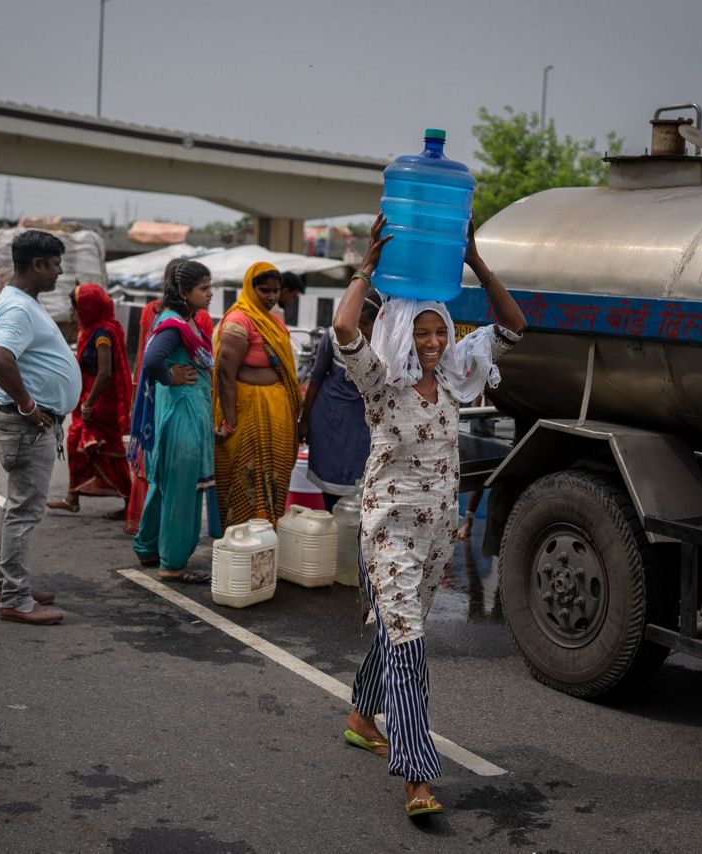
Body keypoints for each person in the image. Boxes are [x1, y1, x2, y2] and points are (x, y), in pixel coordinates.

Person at [334, 213, 526, 819]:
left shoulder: (452, 380)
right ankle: (417, 776)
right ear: (398, 335)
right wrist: (366, 270)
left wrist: (475, 262)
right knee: (412, 643)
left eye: (438, 331)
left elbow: (514, 327)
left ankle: (362, 715)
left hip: (437, 532)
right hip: (388, 531)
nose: (433, 343)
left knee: (400, 628)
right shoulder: (381, 384)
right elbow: (343, 326)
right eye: (420, 334)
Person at [0, 230, 81, 625]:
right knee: (24, 514)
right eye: (56, 264)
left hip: (31, 425)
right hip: (28, 427)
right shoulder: (18, 309)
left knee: (17, 510)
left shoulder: (22, 301)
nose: (60, 272)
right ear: (38, 265)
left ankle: (5, 584)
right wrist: (27, 404)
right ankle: (15, 598)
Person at [130, 260, 215, 581]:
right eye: (203, 289)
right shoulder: (174, 325)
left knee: (165, 485)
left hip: (179, 414)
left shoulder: (182, 320)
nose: (210, 294)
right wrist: (170, 377)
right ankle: (174, 564)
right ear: (183, 292)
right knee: (182, 489)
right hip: (181, 418)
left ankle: (149, 547)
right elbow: (152, 360)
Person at [212, 262, 302, 529]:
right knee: (248, 476)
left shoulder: (273, 320)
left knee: (274, 477)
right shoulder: (238, 322)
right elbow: (226, 374)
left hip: (276, 411)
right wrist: (229, 421)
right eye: (265, 291)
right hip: (249, 411)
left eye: (276, 291)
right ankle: (244, 539)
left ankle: (267, 535)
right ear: (250, 288)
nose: (272, 297)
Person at [46, 283, 135, 519]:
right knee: (80, 444)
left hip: (100, 401)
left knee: (108, 448)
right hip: (89, 396)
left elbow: (105, 373)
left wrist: (89, 404)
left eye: (76, 307)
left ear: (88, 307)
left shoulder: (103, 333)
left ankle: (129, 502)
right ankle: (72, 497)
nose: (74, 313)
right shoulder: (90, 328)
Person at [299, 290, 382, 511]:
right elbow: (316, 379)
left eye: (364, 323)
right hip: (330, 421)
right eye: (354, 322)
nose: (357, 330)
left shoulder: (386, 347)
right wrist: (304, 421)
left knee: (363, 484)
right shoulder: (334, 337)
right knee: (330, 486)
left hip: (364, 426)